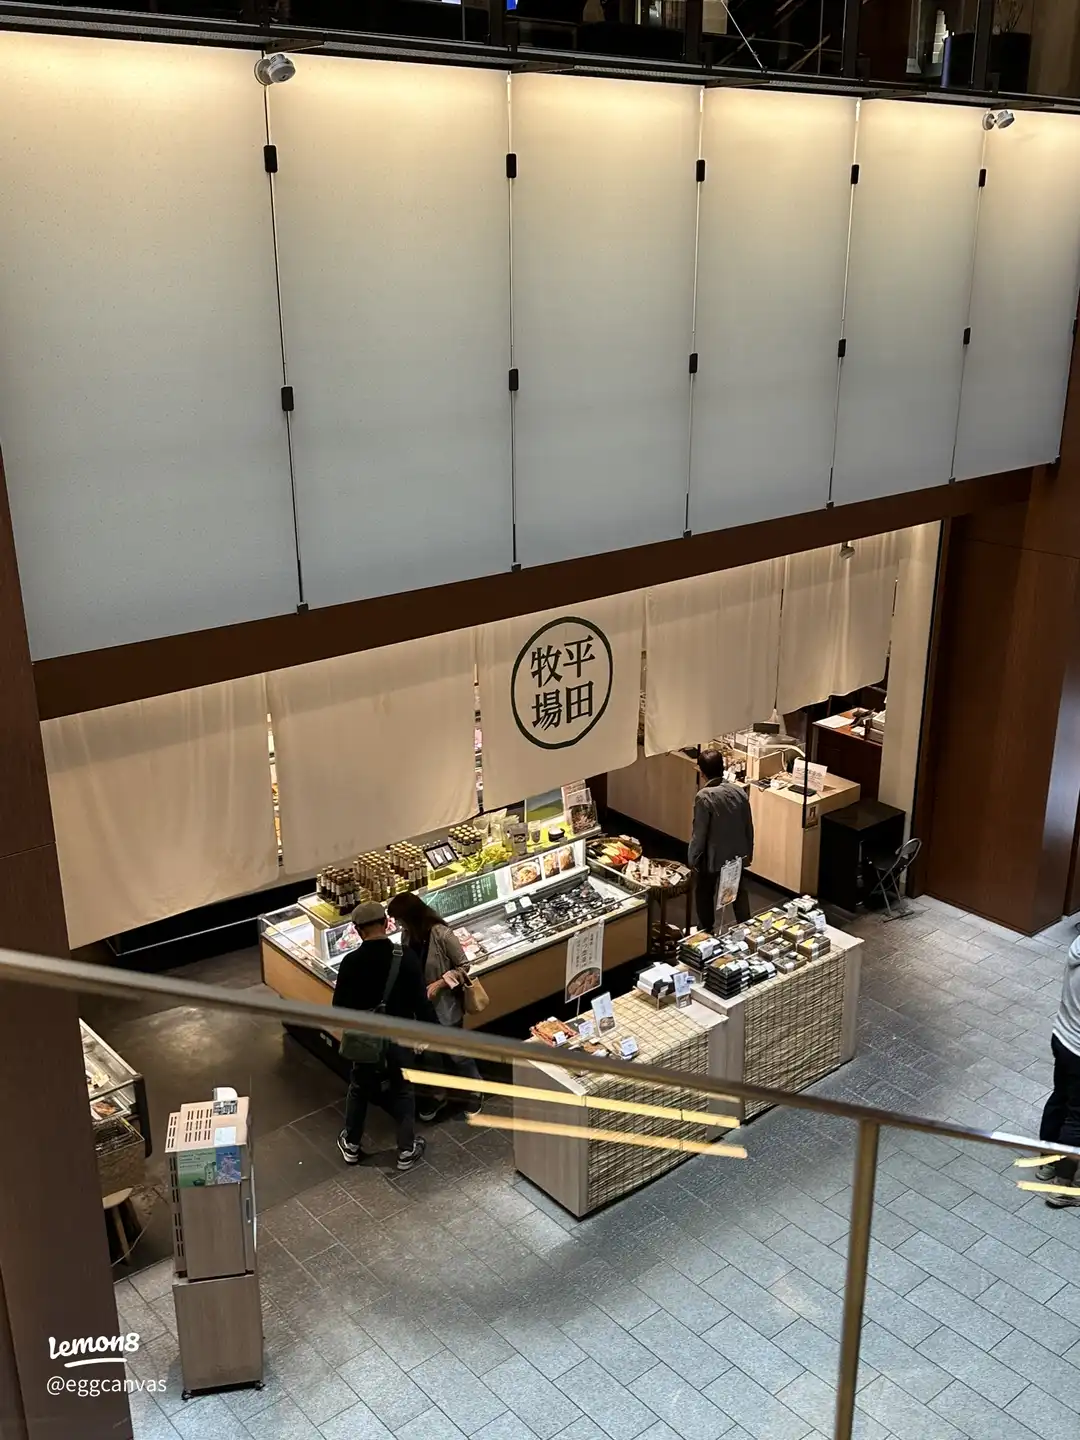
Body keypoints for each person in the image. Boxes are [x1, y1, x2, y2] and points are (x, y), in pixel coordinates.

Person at [332, 901, 439, 1171]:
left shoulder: (351, 962)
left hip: (367, 1038)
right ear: (386, 923)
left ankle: (352, 1146)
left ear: (357, 931)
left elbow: (339, 1008)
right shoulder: (405, 957)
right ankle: (405, 1151)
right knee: (403, 1091)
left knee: (359, 1088)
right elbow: (421, 1001)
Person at [387, 891, 484, 1121]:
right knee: (431, 1054)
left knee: (457, 1052)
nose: (399, 925)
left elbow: (464, 966)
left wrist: (440, 983)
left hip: (445, 1005)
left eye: (400, 919)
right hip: (422, 1007)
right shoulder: (407, 935)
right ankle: (439, 1094)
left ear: (410, 916)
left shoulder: (442, 934)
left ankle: (475, 1090)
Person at [689, 748, 754, 933]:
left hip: (713, 856)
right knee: (739, 892)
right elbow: (748, 825)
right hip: (737, 853)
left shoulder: (704, 797)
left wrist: (692, 858)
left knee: (704, 891)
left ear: (702, 772)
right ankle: (747, 927)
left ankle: (706, 928)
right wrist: (748, 853)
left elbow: (699, 833)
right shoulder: (738, 791)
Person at [1037, 934, 1080, 1207]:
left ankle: (1047, 1162)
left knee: (1060, 1097)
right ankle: (1062, 1188)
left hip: (1062, 1036)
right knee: (1079, 1119)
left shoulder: (1078, 944)